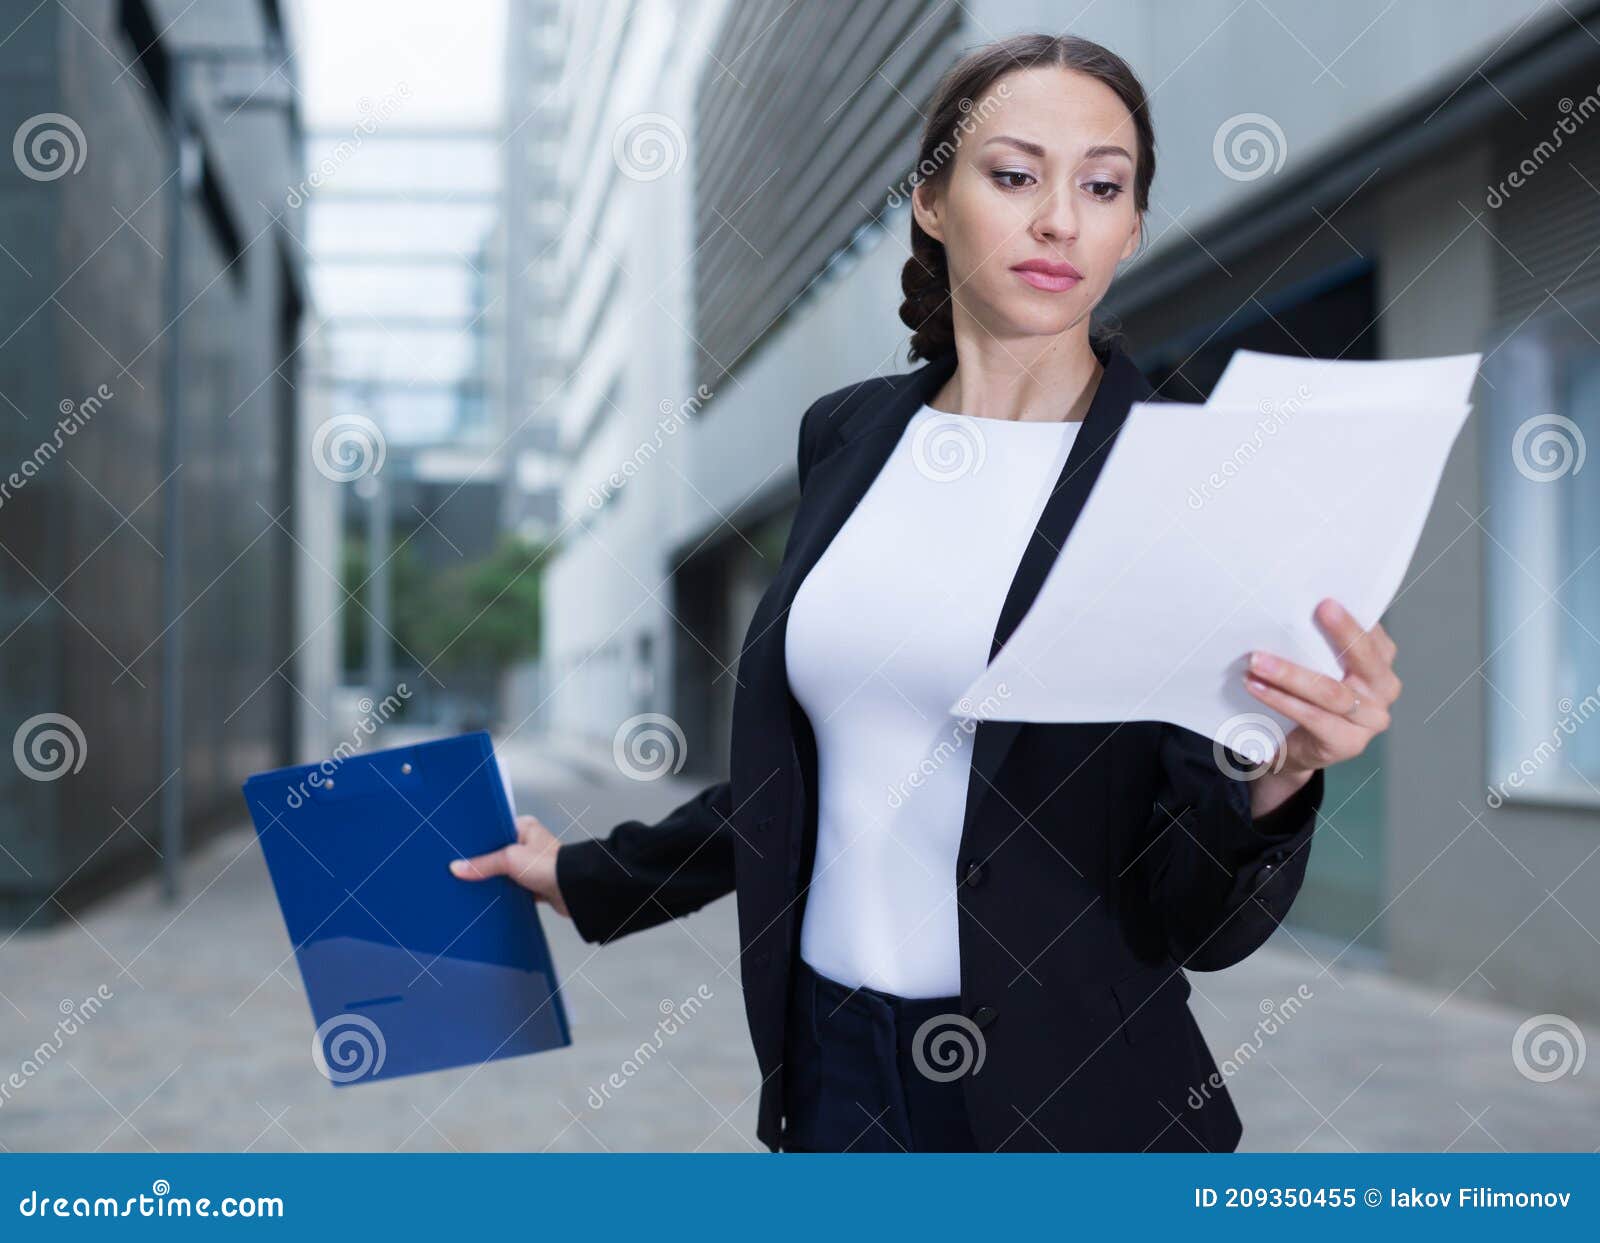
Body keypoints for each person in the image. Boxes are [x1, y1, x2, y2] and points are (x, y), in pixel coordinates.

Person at [449, 31, 1401, 1153]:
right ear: (932, 202)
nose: (1059, 219)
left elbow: (1194, 918)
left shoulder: (1186, 483)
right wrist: (593, 874)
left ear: (1131, 226)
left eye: (1102, 186)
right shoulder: (847, 437)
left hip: (1070, 1108)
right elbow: (805, 770)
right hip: (834, 1076)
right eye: (1013, 175)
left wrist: (1275, 779)